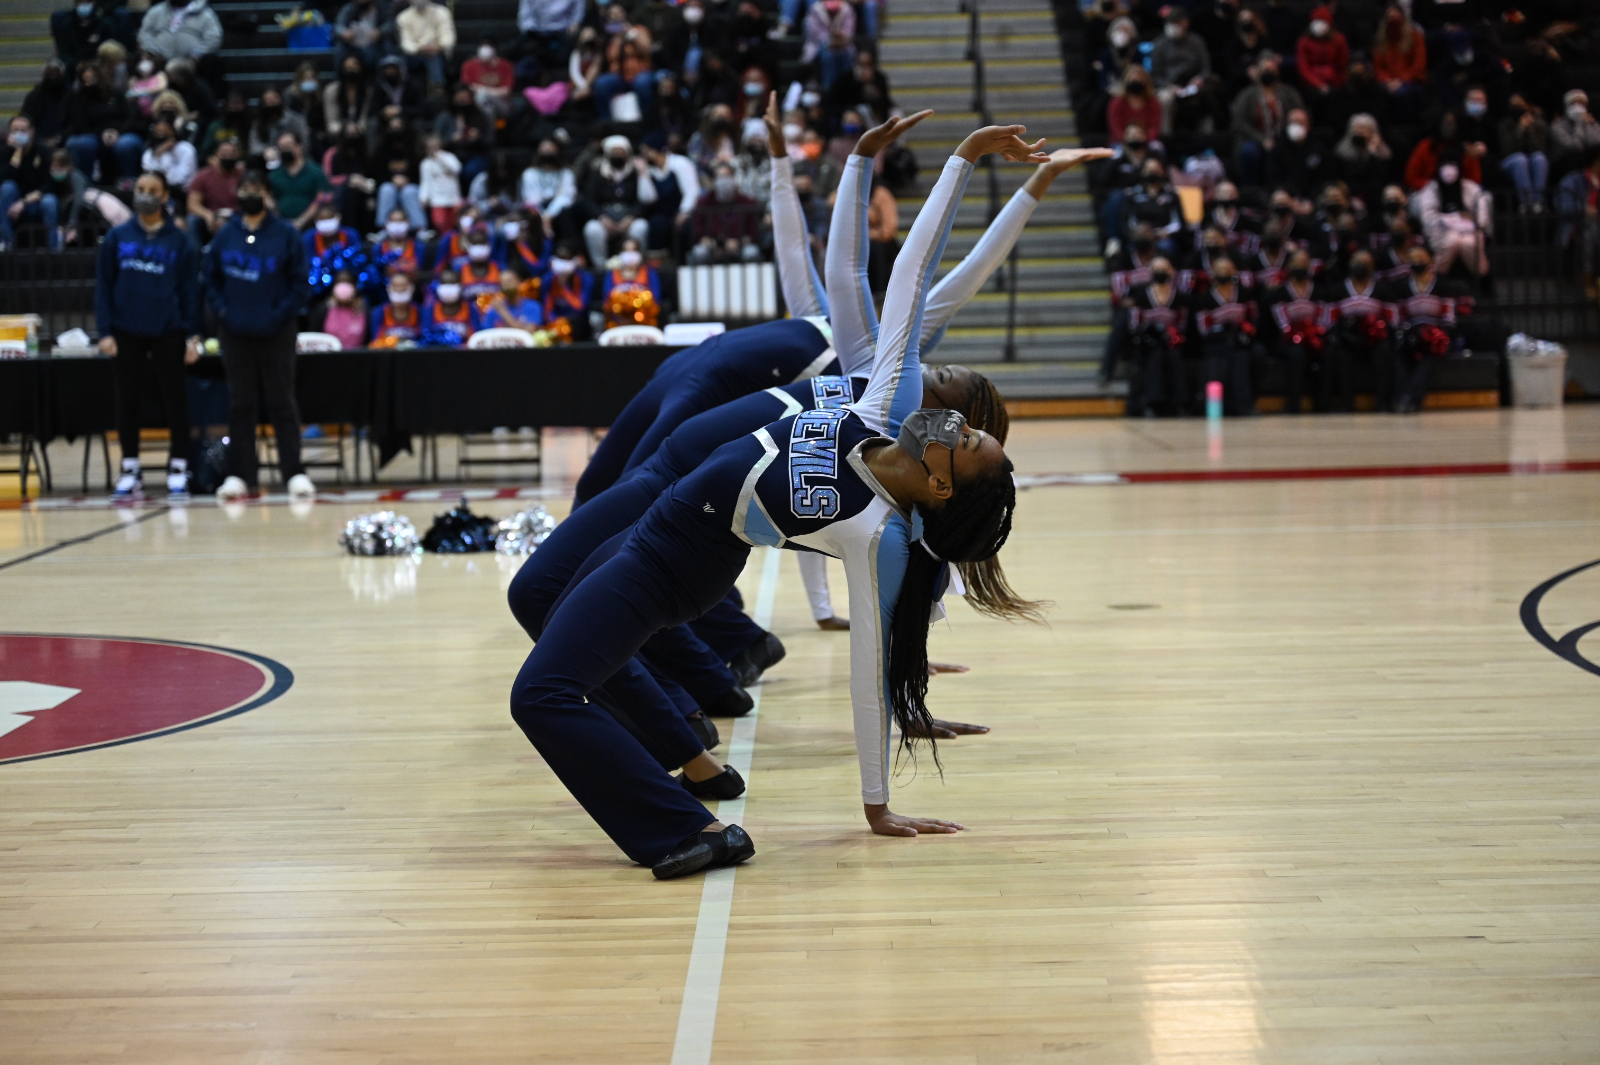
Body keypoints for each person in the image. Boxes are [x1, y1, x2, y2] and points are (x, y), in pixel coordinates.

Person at [506, 124, 1048, 879]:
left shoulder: (881, 537)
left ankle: (681, 833)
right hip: (674, 527)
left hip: (672, 556)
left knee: (542, 691)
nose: (955, 420)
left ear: (942, 483)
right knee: (549, 631)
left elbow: (872, 664)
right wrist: (963, 160)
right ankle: (691, 779)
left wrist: (875, 803)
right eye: (966, 422)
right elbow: (910, 278)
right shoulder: (886, 405)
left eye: (965, 438)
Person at [201, 170, 315, 501]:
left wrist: (277, 316)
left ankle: (293, 472)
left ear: (267, 194)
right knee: (241, 404)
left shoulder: (286, 234)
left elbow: (299, 284)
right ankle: (240, 475)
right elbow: (211, 281)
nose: (250, 193)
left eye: (256, 188)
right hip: (235, 332)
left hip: (277, 332)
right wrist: (224, 313)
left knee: (282, 402)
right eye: (245, 188)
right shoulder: (226, 235)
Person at [95, 170, 202, 498]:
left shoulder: (180, 240)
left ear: (165, 195)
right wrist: (105, 330)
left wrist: (193, 335)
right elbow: (104, 286)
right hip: (126, 331)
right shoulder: (117, 237)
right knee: (126, 402)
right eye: (140, 188)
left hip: (168, 330)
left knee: (176, 402)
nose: (145, 194)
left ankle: (179, 467)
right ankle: (130, 467)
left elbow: (190, 291)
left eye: (152, 189)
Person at [1377, 243, 1463, 413]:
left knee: (1431, 357)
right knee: (1399, 355)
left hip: (1437, 336)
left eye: (1420, 258)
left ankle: (1410, 398)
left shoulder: (1442, 286)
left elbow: (1449, 319)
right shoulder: (1400, 287)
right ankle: (1402, 397)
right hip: (1411, 335)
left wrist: (1437, 334)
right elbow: (1397, 318)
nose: (1417, 262)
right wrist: (1409, 332)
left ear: (1429, 260)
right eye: (1413, 259)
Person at [1259, 247, 1323, 413]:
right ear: (1289, 266)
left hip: (1314, 337)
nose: (1300, 267)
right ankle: (1294, 404)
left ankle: (1323, 403)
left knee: (1329, 351)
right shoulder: (1278, 292)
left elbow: (1323, 320)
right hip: (1285, 339)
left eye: (1304, 264)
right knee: (1296, 353)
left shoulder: (1318, 291)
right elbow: (1277, 326)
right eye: (1296, 263)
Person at [62, 61, 143, 185]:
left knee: (126, 144)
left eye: (93, 77)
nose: (91, 81)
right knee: (80, 144)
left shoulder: (116, 93)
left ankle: (129, 183)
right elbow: (81, 125)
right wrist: (102, 134)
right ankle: (84, 185)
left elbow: (130, 116)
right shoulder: (79, 99)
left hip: (122, 132)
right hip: (94, 135)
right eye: (86, 79)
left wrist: (117, 132)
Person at [1231, 53, 1303, 188]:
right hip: (1256, 141)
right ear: (1258, 72)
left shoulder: (1289, 92)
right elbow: (1239, 123)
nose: (1268, 72)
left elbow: (1300, 113)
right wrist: (1262, 140)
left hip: (1284, 139)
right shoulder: (1247, 95)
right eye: (1265, 70)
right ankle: (1250, 189)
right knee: (1249, 151)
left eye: (1271, 70)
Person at [582, 135, 655, 267]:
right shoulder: (597, 172)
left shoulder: (635, 172)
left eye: (621, 153)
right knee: (592, 229)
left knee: (641, 227)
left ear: (628, 154)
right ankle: (601, 267)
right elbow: (588, 200)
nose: (618, 156)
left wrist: (631, 217)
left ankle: (637, 264)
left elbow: (645, 200)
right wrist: (602, 217)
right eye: (614, 153)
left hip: (629, 217)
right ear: (607, 154)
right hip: (605, 218)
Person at [1415, 156, 1492, 278]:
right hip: (1441, 231)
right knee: (1453, 240)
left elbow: (1482, 218)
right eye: (1445, 165)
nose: (1449, 170)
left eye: (1453, 165)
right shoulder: (1431, 189)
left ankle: (1482, 279)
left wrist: (1471, 221)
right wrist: (1454, 218)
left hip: (1470, 231)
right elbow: (1428, 218)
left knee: (1469, 243)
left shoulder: (1471, 188)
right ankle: (1437, 276)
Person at [0, 115, 58, 251]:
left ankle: (54, 249)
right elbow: (3, 179)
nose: (19, 134)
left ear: (32, 131)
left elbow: (49, 184)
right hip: (12, 202)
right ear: (9, 133)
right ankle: (5, 242)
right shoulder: (4, 152)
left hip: (36, 201)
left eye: (23, 130)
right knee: (7, 187)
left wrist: (24, 202)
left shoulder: (43, 151)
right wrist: (17, 153)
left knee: (50, 201)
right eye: (15, 131)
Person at [1150, 9, 1210, 136]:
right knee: (1165, 99)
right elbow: (1155, 76)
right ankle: (1166, 138)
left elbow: (1206, 68)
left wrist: (1199, 79)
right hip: (1168, 86)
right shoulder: (1159, 44)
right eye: (1170, 23)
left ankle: (1206, 137)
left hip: (1192, 83)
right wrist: (1169, 86)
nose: (1172, 27)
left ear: (1185, 23)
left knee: (1209, 95)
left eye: (1176, 23)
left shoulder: (1196, 42)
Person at [687, 161, 760, 264]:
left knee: (751, 252)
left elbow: (753, 232)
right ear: (714, 180)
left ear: (734, 178)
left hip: (740, 246)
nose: (724, 181)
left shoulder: (747, 203)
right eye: (720, 177)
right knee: (699, 252)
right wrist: (713, 243)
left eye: (727, 176)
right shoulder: (703, 203)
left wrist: (738, 243)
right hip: (713, 247)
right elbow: (699, 231)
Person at [268, 131, 330, 230]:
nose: (285, 150)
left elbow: (321, 198)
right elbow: (270, 199)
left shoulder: (315, 171)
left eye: (288, 146)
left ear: (299, 147)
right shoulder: (274, 175)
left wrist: (301, 221)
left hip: (312, 224)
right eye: (282, 147)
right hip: (281, 225)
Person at [1498, 95, 1550, 213]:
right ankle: (1526, 203)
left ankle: (1538, 202)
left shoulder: (1538, 123)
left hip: (1531, 160)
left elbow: (1540, 148)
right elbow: (1508, 150)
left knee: (1540, 158)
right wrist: (1520, 130)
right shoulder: (1505, 124)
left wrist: (1530, 130)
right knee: (1520, 159)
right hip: (1509, 162)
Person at [520, 139, 578, 240]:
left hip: (559, 209)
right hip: (538, 209)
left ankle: (567, 250)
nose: (547, 155)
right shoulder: (530, 173)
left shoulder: (566, 173)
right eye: (544, 152)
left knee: (567, 212)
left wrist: (548, 216)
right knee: (531, 215)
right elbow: (531, 199)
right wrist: (542, 217)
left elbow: (566, 196)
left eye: (550, 152)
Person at [600, 238, 660, 328]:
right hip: (617, 323)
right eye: (626, 251)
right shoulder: (612, 274)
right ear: (620, 253)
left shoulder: (649, 273)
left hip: (644, 324)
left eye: (633, 250)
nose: (630, 255)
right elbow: (606, 301)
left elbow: (656, 299)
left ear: (639, 254)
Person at [396, 0, 455, 90]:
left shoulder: (442, 12)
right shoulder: (403, 17)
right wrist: (420, 48)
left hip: (438, 52)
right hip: (415, 54)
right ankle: (406, 89)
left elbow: (447, 35)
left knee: (432, 57)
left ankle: (438, 87)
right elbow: (406, 42)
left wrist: (439, 46)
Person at [137, 0, 222, 61]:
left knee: (211, 61)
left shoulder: (205, 14)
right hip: (158, 61)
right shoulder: (156, 11)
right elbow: (144, 34)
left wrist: (196, 54)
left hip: (193, 62)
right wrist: (152, 51)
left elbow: (213, 38)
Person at [541, 246, 593, 339]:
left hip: (578, 325)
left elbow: (580, 308)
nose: (562, 263)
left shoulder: (586, 279)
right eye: (559, 258)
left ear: (575, 260)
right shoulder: (547, 279)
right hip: (555, 322)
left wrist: (563, 286)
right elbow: (547, 309)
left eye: (566, 259)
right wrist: (557, 324)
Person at [52, 2, 118, 74]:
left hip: (99, 66)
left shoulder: (105, 25)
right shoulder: (66, 26)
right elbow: (64, 52)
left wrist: (96, 64)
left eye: (87, 1)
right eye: (81, 1)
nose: (84, 4)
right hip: (74, 68)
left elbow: (110, 49)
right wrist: (76, 64)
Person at [420, 266, 478, 343]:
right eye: (444, 283)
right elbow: (424, 337)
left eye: (452, 283)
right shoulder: (430, 310)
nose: (448, 288)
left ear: (460, 285)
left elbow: (476, 336)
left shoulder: (470, 308)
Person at [417, 132, 462, 232]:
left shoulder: (449, 157)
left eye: (435, 146)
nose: (433, 149)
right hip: (437, 199)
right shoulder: (425, 163)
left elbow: (457, 169)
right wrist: (423, 197)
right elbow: (425, 182)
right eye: (430, 147)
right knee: (440, 223)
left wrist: (441, 158)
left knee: (454, 224)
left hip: (453, 198)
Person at [481, 262, 544, 330]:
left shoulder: (532, 306)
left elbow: (528, 332)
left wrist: (502, 311)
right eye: (503, 282)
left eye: (509, 281)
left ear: (519, 282)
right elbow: (485, 333)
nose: (506, 285)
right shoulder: (493, 310)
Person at [140, 118, 196, 194]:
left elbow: (180, 180)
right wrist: (159, 154)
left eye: (165, 131)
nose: (162, 135)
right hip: (156, 191)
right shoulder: (150, 152)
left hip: (181, 193)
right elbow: (148, 173)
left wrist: (166, 156)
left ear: (173, 131)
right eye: (158, 132)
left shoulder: (187, 149)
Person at [460, 40, 514, 119]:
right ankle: (488, 130)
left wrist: (484, 91)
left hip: (501, 103)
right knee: (488, 108)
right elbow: (467, 87)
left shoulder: (506, 65)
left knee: (482, 96)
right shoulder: (469, 65)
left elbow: (506, 91)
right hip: (475, 103)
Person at [317, 268, 369, 348]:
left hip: (357, 357)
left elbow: (369, 340)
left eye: (347, 282)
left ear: (355, 286)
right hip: (329, 357)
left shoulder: (364, 310)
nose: (343, 286)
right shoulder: (324, 309)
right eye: (340, 282)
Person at [369, 269, 422, 341]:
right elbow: (376, 341)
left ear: (411, 288)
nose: (399, 289)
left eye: (403, 285)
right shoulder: (379, 312)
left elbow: (423, 340)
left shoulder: (420, 311)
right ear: (389, 288)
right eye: (395, 285)